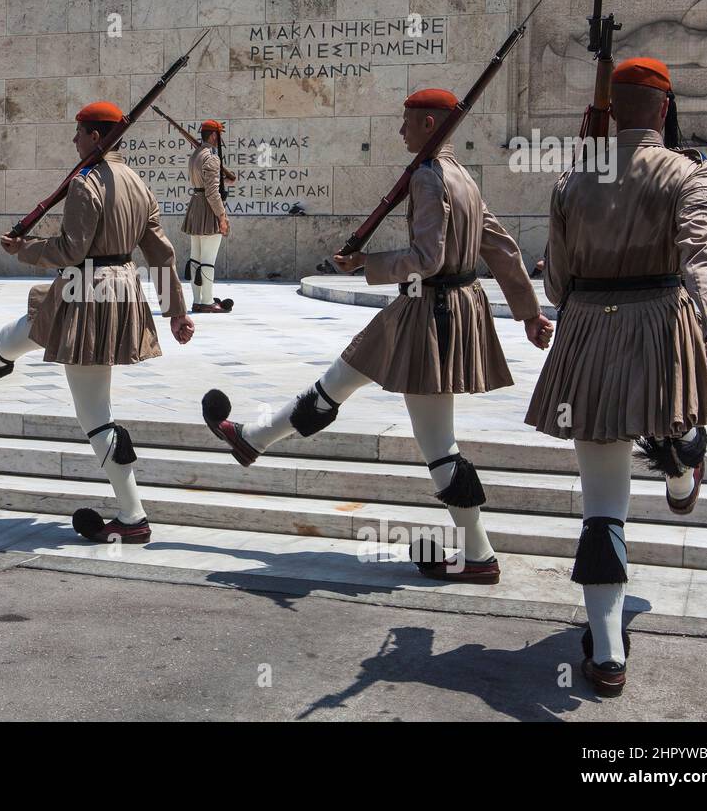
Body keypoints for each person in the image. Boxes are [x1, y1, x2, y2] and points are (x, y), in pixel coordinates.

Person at [202, 88, 553, 584]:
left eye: (407, 120)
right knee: (337, 382)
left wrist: (367, 263)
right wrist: (529, 312)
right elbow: (502, 247)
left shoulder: (431, 178)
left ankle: (479, 555)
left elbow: (428, 259)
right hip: (431, 309)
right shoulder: (462, 178)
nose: (399, 129)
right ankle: (252, 440)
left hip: (430, 313)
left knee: (438, 446)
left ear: (430, 124)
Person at [525, 57, 707, 697]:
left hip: (588, 330)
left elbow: (555, 282)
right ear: (665, 109)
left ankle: (609, 654)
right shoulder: (688, 171)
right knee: (667, 421)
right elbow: (703, 251)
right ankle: (678, 466)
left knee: (601, 506)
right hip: (658, 327)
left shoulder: (571, 180)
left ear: (611, 110)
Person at [0, 101, 194, 544]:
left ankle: (133, 517)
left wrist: (23, 249)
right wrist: (175, 309)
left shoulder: (86, 183)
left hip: (86, 293)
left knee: (95, 415)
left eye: (78, 132)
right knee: (19, 334)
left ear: (97, 136)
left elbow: (70, 250)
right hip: (115, 290)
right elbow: (160, 253)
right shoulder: (139, 184)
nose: (73, 140)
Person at [181, 119, 234, 313]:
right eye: (219, 136)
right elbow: (212, 192)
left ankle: (197, 300)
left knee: (196, 257)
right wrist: (222, 215)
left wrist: (223, 182)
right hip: (208, 208)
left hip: (196, 205)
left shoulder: (195, 155)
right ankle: (208, 301)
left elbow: (204, 184)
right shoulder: (211, 158)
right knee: (208, 258)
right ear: (213, 136)